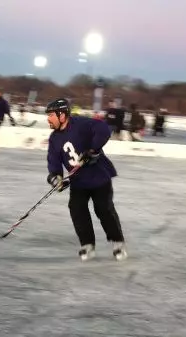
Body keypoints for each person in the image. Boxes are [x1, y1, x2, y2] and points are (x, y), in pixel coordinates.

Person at [45, 98, 127, 262]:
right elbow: (53, 162)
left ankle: (117, 242)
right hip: (79, 181)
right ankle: (87, 244)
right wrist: (56, 177)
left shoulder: (80, 124)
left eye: (51, 115)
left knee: (103, 209)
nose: (48, 119)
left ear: (62, 115)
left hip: (99, 178)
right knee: (76, 208)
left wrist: (93, 150)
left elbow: (104, 129)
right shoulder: (54, 139)